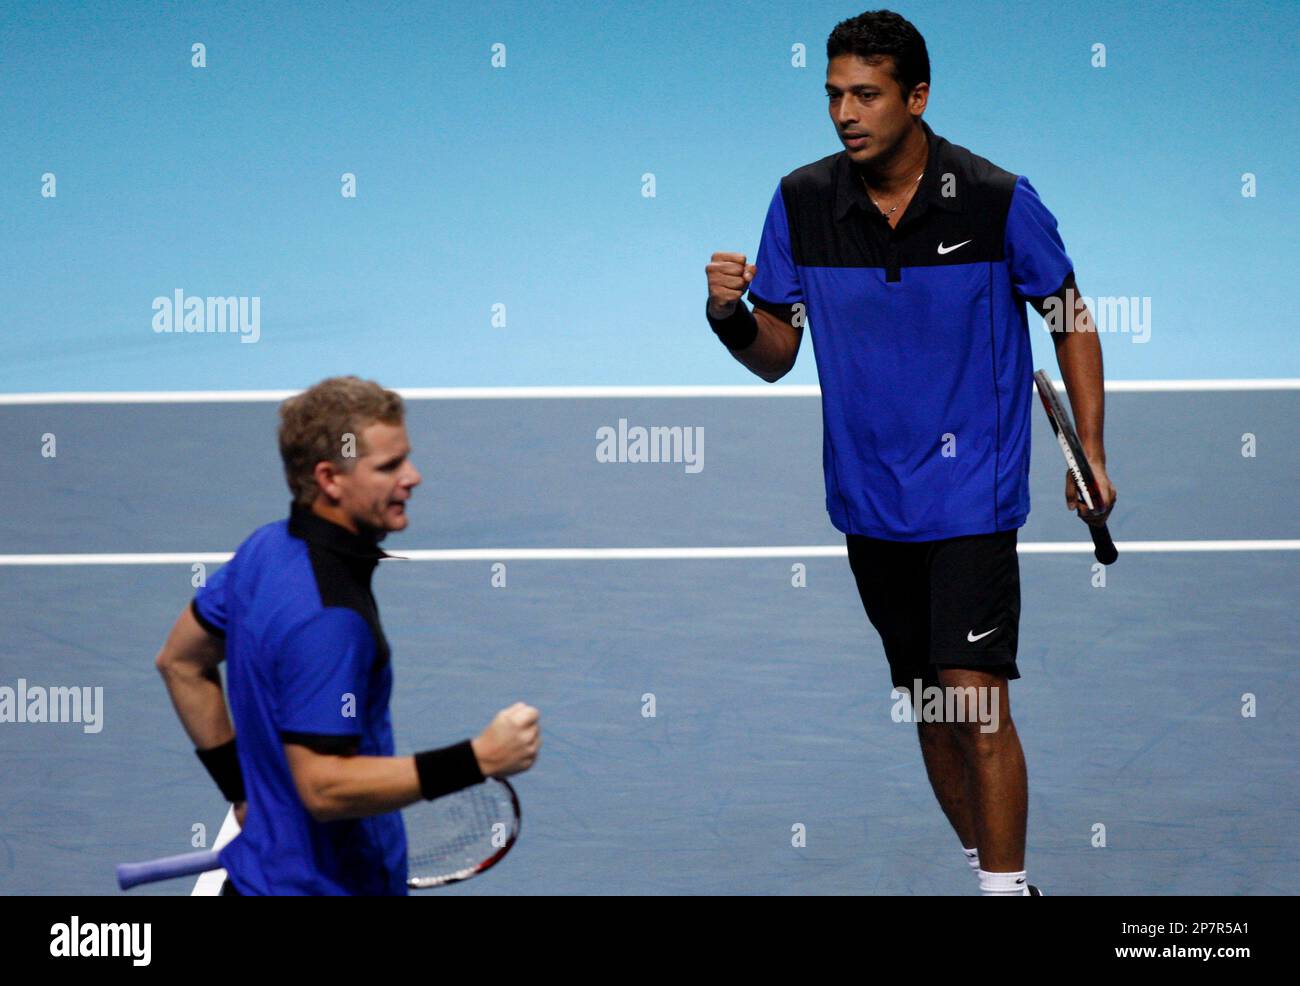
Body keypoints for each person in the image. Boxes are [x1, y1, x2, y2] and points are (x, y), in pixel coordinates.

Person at [704, 9, 1115, 895]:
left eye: (865, 95)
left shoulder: (998, 198)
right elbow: (778, 356)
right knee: (929, 706)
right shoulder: (802, 201)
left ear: (916, 97)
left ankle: (1007, 891)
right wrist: (729, 316)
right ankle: (988, 870)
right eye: (832, 96)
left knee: (975, 699)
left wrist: (1091, 447)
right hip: (868, 499)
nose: (845, 113)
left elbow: (1070, 318)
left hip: (972, 494)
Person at [154, 375, 541, 895]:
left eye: (405, 458)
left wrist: (243, 793)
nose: (414, 477)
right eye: (388, 467)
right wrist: (479, 759)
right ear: (329, 479)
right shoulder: (331, 621)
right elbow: (324, 788)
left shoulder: (264, 551)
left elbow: (180, 662)